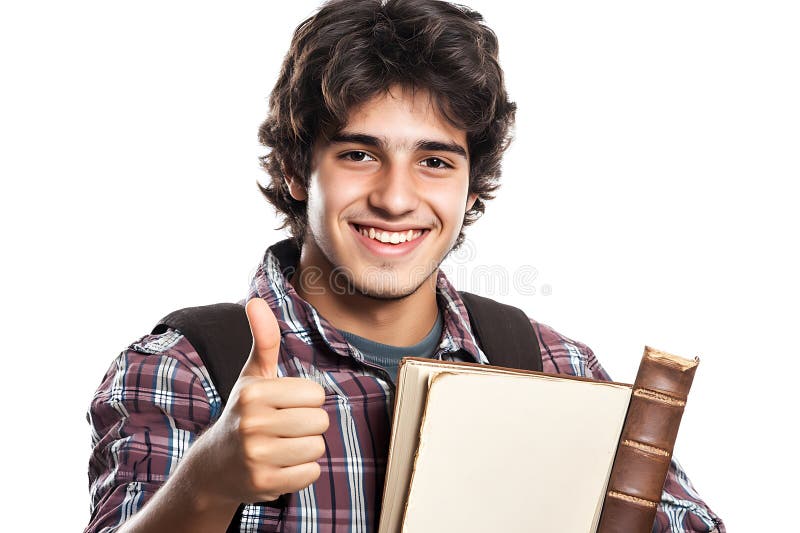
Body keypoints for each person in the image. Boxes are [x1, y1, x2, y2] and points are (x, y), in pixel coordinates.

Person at [85, 1, 725, 531]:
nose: (395, 198)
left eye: (436, 161)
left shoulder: (560, 369)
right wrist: (207, 484)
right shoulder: (183, 368)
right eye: (359, 155)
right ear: (294, 170)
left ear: (472, 189)